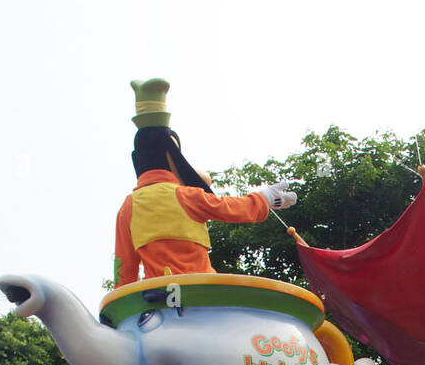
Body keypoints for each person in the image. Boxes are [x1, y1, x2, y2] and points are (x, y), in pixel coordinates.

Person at [114, 78, 297, 287]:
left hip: (159, 303)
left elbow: (123, 271)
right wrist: (263, 198)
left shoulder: (128, 208)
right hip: (205, 295)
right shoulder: (185, 196)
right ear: (170, 156)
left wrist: (117, 311)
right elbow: (228, 208)